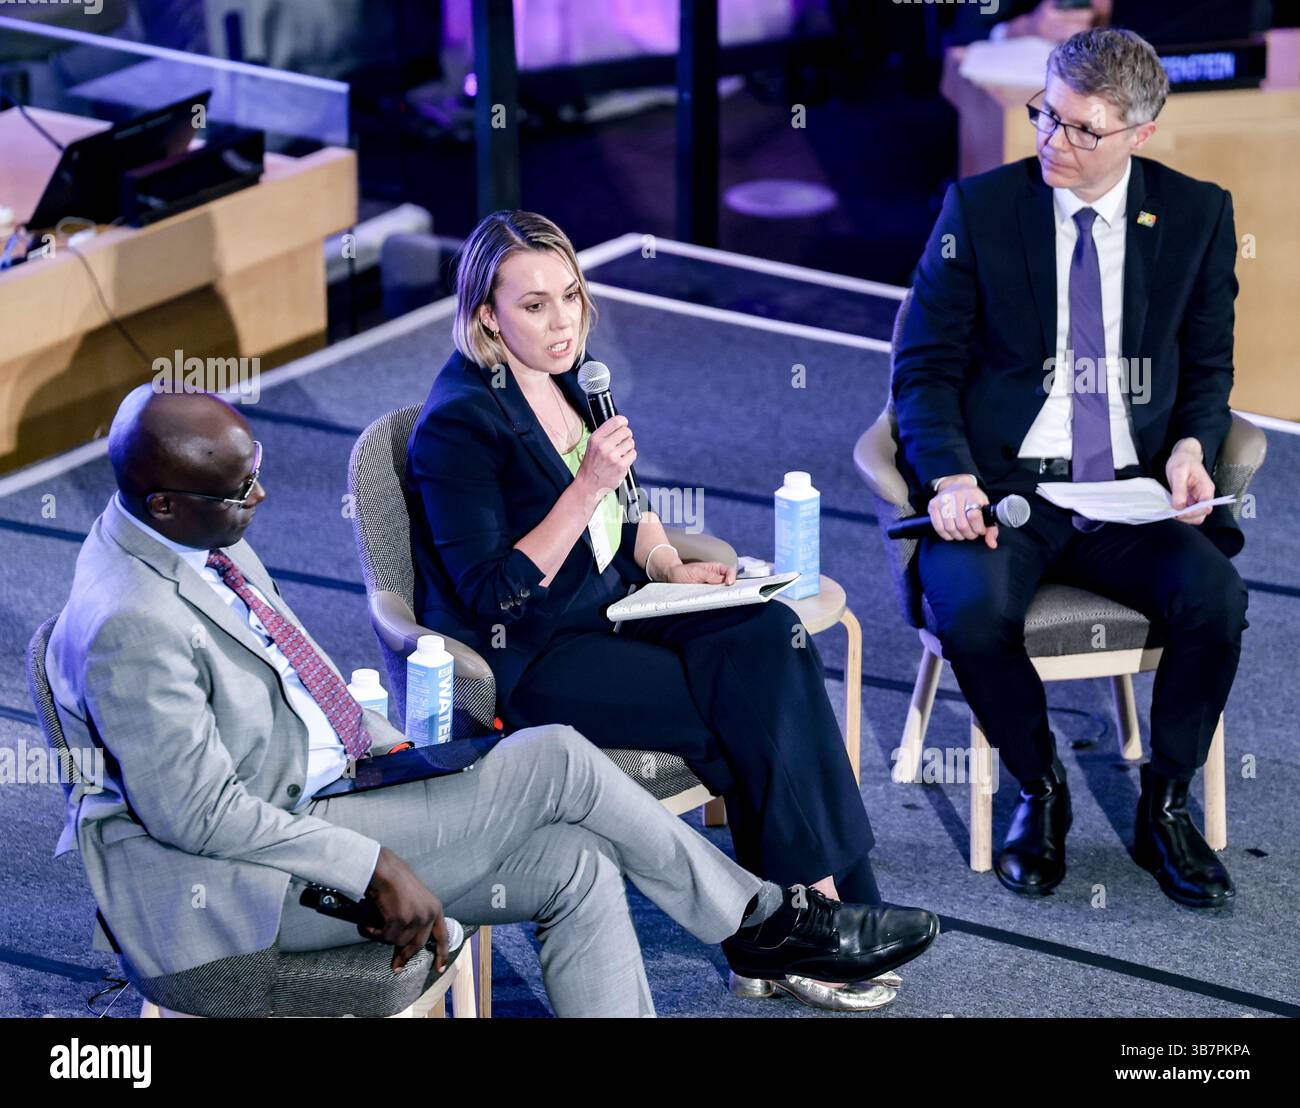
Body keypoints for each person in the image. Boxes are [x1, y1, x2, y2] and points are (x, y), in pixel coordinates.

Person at [44, 386, 940, 1018]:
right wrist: (371, 865)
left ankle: (770, 924)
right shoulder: (132, 621)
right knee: (551, 757)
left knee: (574, 863)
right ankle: (769, 922)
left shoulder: (195, 536)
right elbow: (199, 818)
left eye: (257, 473)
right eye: (240, 490)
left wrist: (396, 754)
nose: (261, 497)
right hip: (240, 891)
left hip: (334, 793)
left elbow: (298, 695)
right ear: (162, 501)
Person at [405, 210, 922, 1010]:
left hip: (618, 602)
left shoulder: (573, 378)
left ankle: (798, 922)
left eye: (570, 296)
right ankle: (814, 917)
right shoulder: (459, 423)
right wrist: (583, 490)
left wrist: (669, 562)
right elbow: (491, 592)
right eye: (534, 304)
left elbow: (631, 512)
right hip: (539, 653)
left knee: (770, 635)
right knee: (747, 705)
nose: (562, 320)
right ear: (485, 315)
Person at [892, 29, 1247, 908]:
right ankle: (1039, 786)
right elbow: (924, 368)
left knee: (1217, 602)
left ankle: (1164, 802)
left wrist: (1195, 448)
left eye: (1082, 129)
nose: (1052, 139)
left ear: (1142, 132)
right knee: (972, 611)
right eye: (1046, 114)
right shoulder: (977, 210)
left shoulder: (1197, 215)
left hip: (1130, 489)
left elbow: (1207, 368)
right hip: (1009, 488)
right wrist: (951, 478)